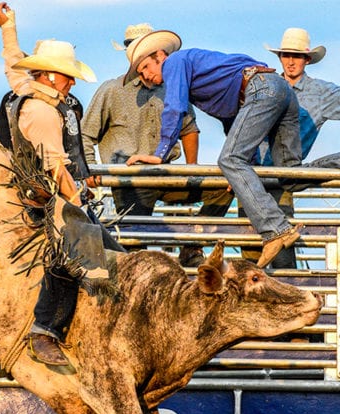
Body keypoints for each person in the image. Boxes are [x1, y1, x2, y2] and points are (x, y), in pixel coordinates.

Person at [0, 2, 124, 367]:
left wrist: (8, 28)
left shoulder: (26, 91)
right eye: (66, 77)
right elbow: (55, 169)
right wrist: (78, 198)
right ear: (50, 76)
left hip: (29, 195)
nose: (70, 83)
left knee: (101, 252)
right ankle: (45, 329)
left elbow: (11, 64)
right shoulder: (44, 113)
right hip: (45, 200)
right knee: (75, 253)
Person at [124, 30, 302, 268]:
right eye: (141, 72)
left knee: (228, 160)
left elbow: (175, 108)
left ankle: (277, 230)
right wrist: (241, 171)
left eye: (146, 66)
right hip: (279, 89)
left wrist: (160, 154)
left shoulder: (174, 63)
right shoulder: (202, 73)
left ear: (160, 55)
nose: (145, 75)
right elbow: (235, 122)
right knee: (289, 175)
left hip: (260, 87)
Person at [80, 23, 232, 267]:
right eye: (132, 49)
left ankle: (192, 246)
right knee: (135, 245)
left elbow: (189, 128)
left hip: (165, 172)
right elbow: (86, 134)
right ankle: (136, 276)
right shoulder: (111, 90)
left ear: (158, 54)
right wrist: (91, 170)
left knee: (223, 187)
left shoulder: (174, 87)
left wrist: (191, 169)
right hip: (129, 179)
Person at [246, 28, 340, 267]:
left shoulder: (319, 94)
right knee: (250, 252)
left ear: (307, 59)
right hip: (253, 175)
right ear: (279, 58)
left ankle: (289, 296)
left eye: (297, 56)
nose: (291, 61)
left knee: (280, 253)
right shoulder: (264, 86)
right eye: (285, 55)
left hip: (284, 177)